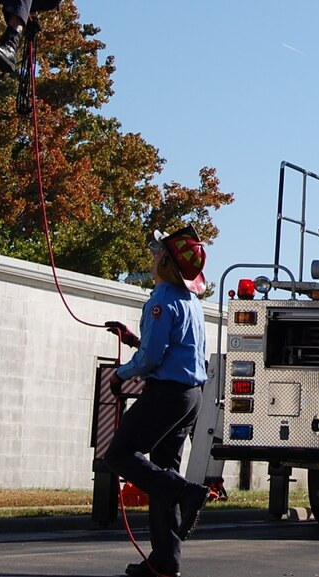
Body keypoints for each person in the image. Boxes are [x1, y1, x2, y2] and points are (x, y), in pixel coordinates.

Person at [103, 226, 210, 577]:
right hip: (190, 397)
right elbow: (173, 350)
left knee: (119, 455)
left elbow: (151, 360)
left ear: (165, 261)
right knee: (162, 470)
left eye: (156, 253)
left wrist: (120, 375)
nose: (152, 257)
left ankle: (186, 492)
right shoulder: (190, 302)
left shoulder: (162, 300)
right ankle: (165, 561)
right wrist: (134, 340)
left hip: (167, 396)